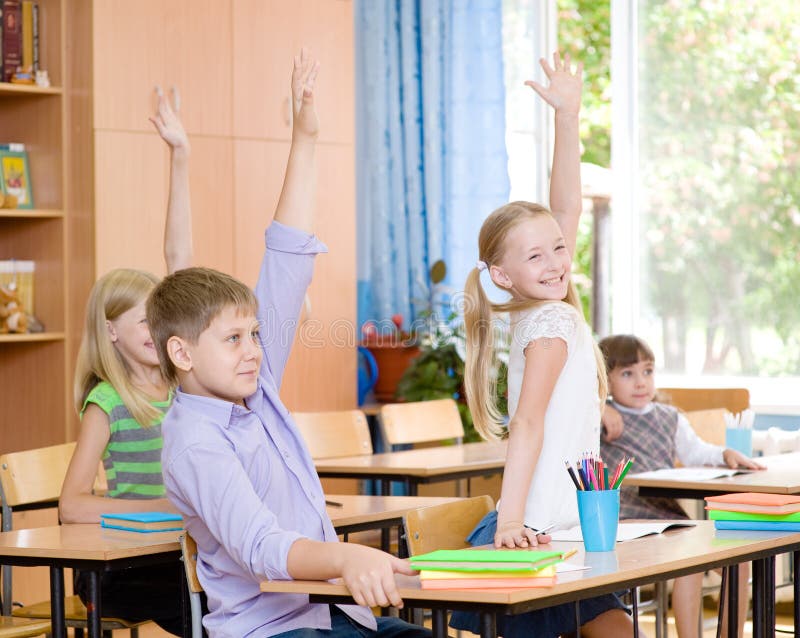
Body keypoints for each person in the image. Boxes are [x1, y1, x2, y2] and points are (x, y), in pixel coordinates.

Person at [148, 50, 431, 638]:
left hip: (327, 614)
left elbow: (287, 259)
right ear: (182, 354)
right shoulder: (195, 442)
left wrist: (305, 138)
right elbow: (260, 547)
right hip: (270, 629)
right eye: (234, 338)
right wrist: (349, 556)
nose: (253, 348)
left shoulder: (253, 381)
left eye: (254, 334)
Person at [451, 52, 637, 638]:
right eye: (536, 256)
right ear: (501, 275)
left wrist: (567, 116)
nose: (558, 261)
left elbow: (565, 209)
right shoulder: (551, 326)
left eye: (558, 248)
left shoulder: (542, 310)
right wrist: (509, 522)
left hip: (560, 528)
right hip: (531, 531)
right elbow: (526, 425)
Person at [58, 88, 192, 635]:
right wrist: (163, 508)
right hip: (125, 569)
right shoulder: (107, 402)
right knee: (211, 604)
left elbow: (179, 261)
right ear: (110, 331)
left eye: (159, 320)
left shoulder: (184, 384)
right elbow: (72, 506)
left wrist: (180, 156)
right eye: (142, 322)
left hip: (175, 552)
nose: (155, 332)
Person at [599, 333, 761, 638]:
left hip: (665, 516)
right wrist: (597, 405)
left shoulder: (669, 417)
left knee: (739, 557)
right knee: (692, 559)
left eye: (647, 371)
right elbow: (565, 404)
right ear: (605, 381)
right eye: (627, 373)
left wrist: (724, 453)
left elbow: (696, 451)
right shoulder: (598, 417)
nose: (640, 382)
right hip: (623, 520)